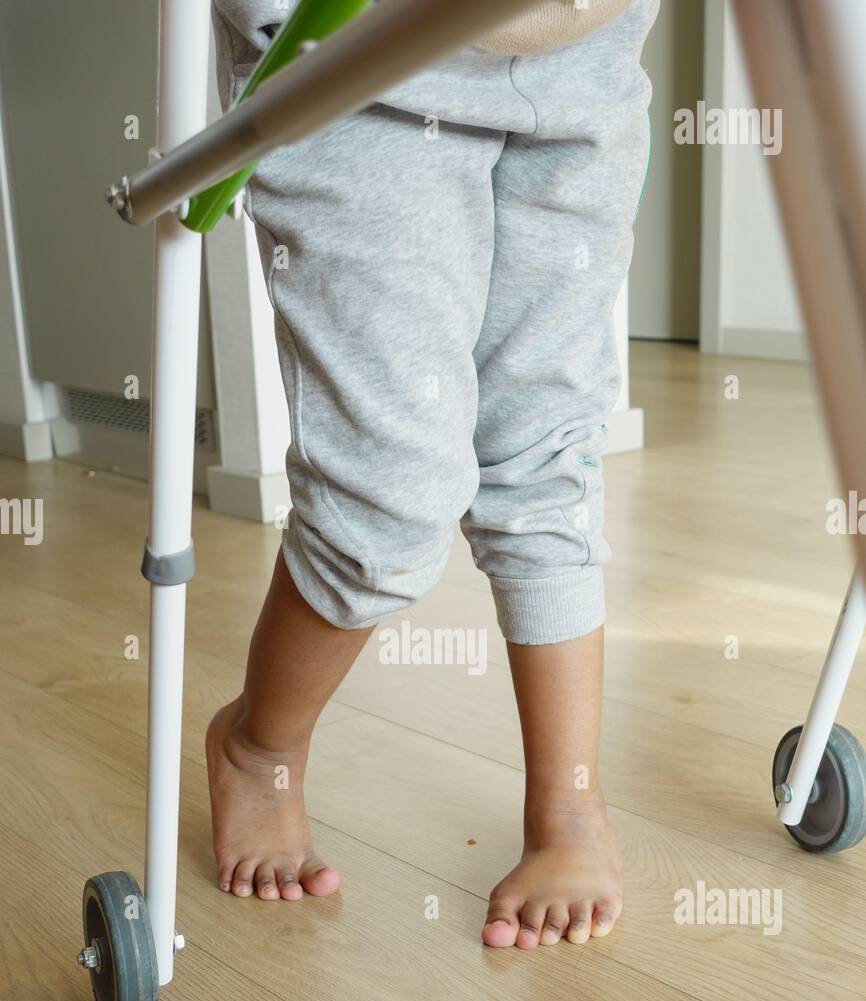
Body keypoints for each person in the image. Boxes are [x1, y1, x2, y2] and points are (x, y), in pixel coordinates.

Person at [207, 0, 658, 947]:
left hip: (580, 64)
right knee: (388, 491)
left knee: (551, 446)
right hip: (354, 66)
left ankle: (569, 807)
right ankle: (260, 746)